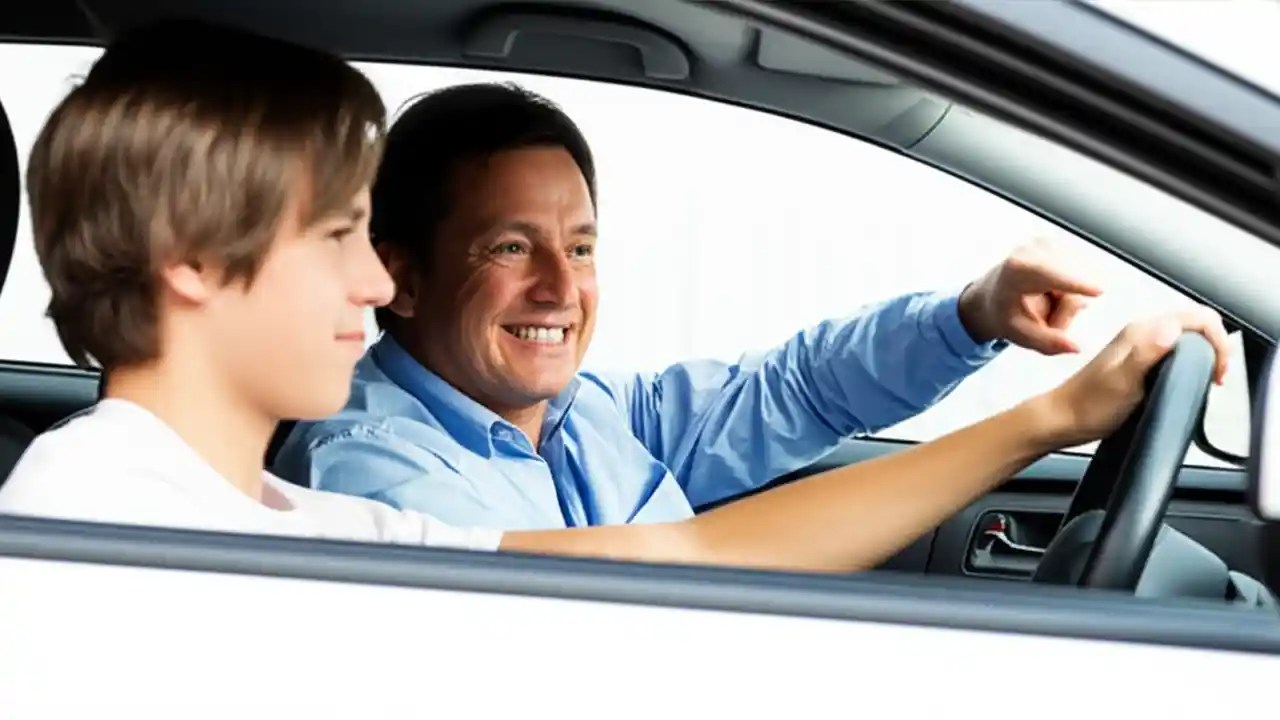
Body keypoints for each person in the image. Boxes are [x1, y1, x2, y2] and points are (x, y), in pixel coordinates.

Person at [0, 18, 1230, 575]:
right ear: (191, 259)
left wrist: (984, 332)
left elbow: (698, 530)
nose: (370, 284)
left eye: (581, 246)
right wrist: (1043, 421)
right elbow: (687, 564)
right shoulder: (87, 522)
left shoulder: (284, 522)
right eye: (339, 238)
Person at [273, 83, 1109, 530]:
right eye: (511, 248)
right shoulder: (370, 470)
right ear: (402, 277)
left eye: (580, 248)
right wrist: (1047, 421)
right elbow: (624, 601)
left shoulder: (588, 414)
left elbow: (798, 387)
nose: (561, 289)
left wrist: (976, 313)